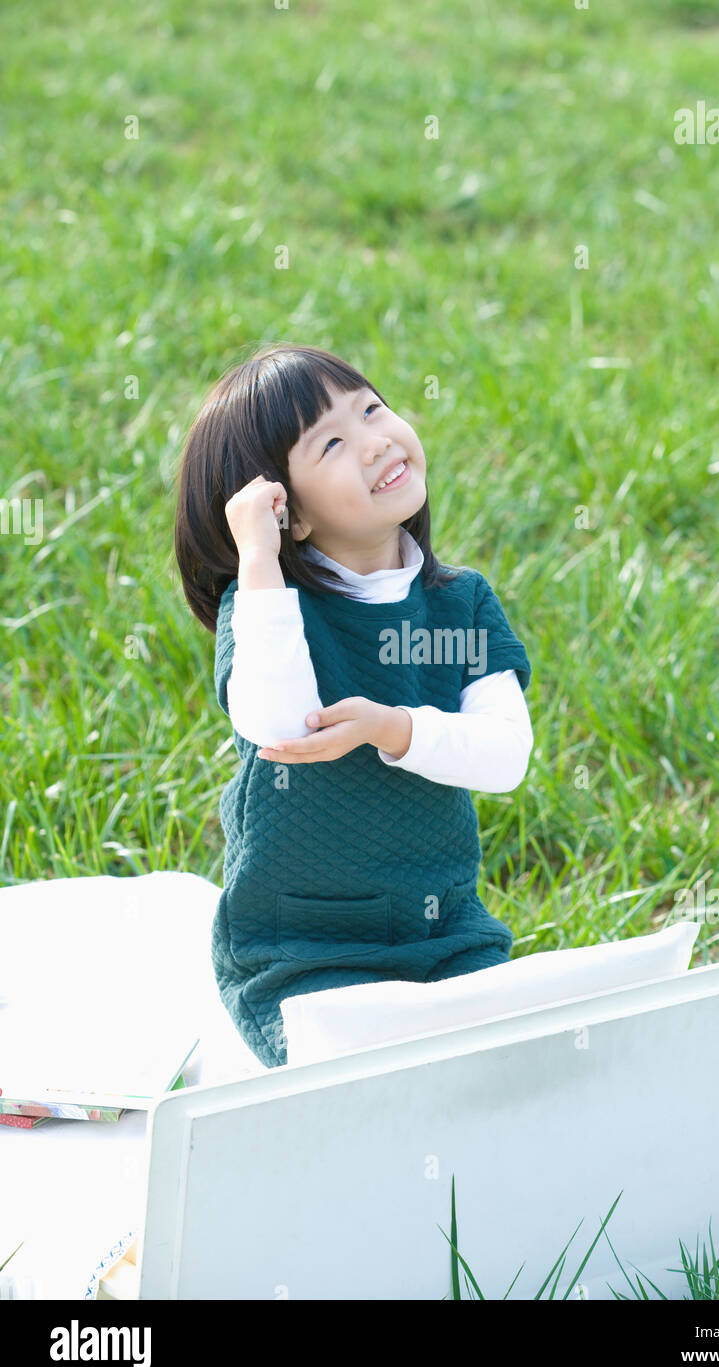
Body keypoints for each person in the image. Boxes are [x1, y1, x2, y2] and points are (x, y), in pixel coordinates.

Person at [174, 343, 533, 1067]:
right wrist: (258, 559)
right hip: (302, 946)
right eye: (332, 442)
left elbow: (505, 755)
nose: (375, 441)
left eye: (371, 409)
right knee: (359, 1082)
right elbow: (277, 725)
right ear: (288, 513)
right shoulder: (267, 608)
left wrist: (394, 729)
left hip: (443, 933)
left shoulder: (460, 603)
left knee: (511, 1062)